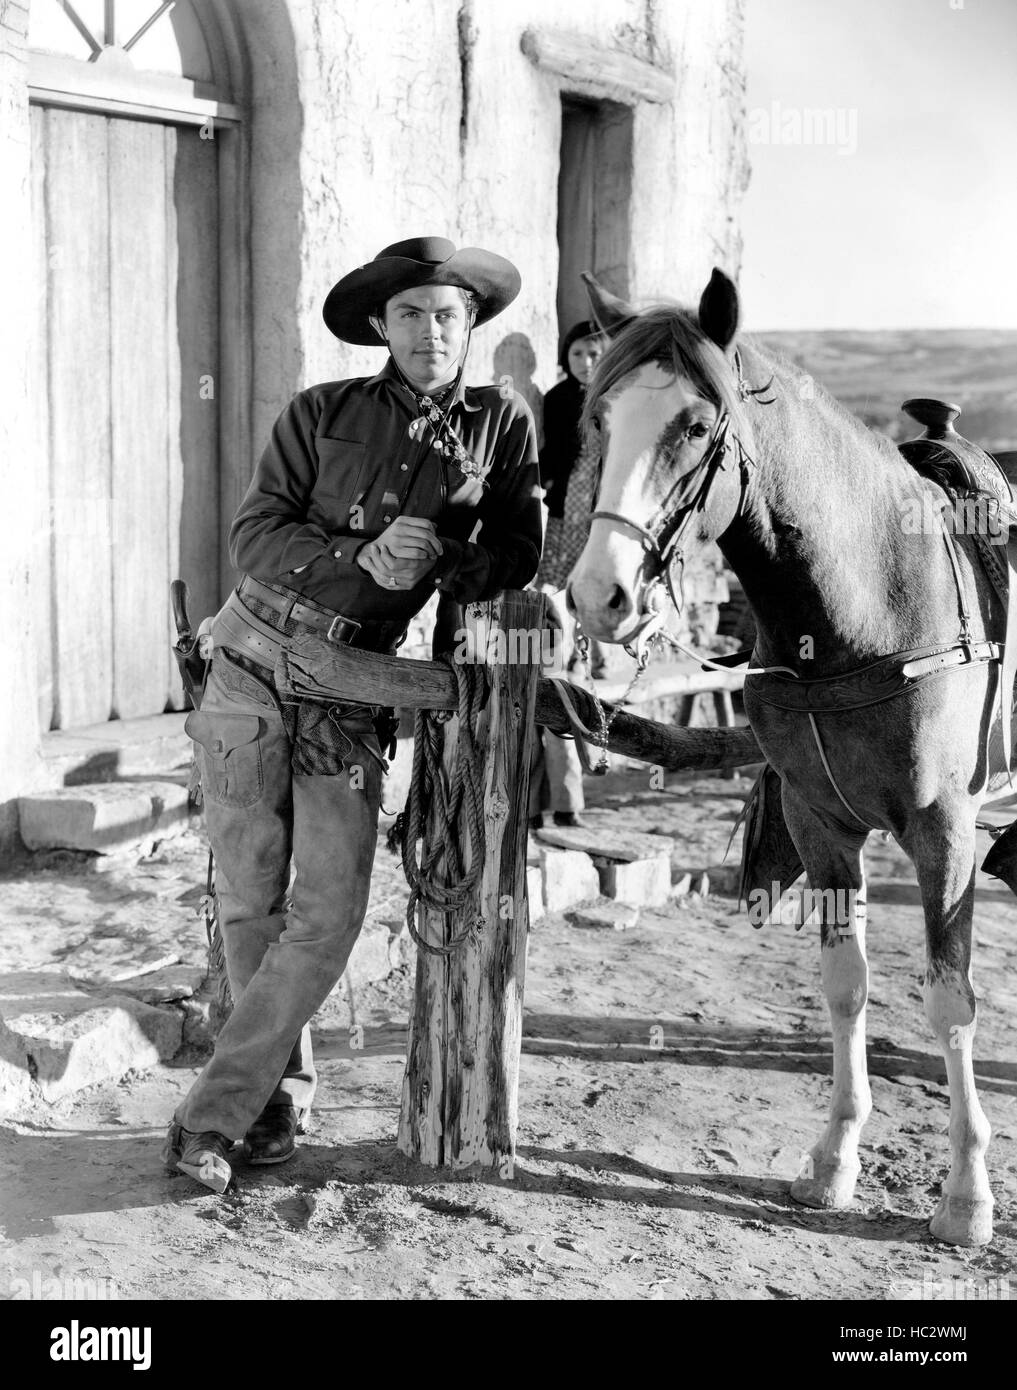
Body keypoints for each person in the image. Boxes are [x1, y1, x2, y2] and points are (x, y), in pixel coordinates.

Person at [163, 236, 541, 1192]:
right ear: (381, 325)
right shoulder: (319, 411)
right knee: (249, 901)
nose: (428, 331)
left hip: (349, 683)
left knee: (326, 916)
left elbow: (517, 555)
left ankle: (207, 1117)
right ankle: (268, 1106)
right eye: (409, 314)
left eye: (446, 314)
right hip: (249, 660)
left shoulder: (501, 428)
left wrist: (441, 561)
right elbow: (253, 534)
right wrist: (357, 559)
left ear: (471, 326)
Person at [529, 321, 607, 832]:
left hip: (599, 508)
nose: (585, 361)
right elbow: (552, 456)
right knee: (557, 586)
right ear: (566, 356)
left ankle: (590, 649)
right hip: (562, 509)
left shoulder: (615, 396)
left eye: (593, 353)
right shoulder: (557, 398)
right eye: (578, 352)